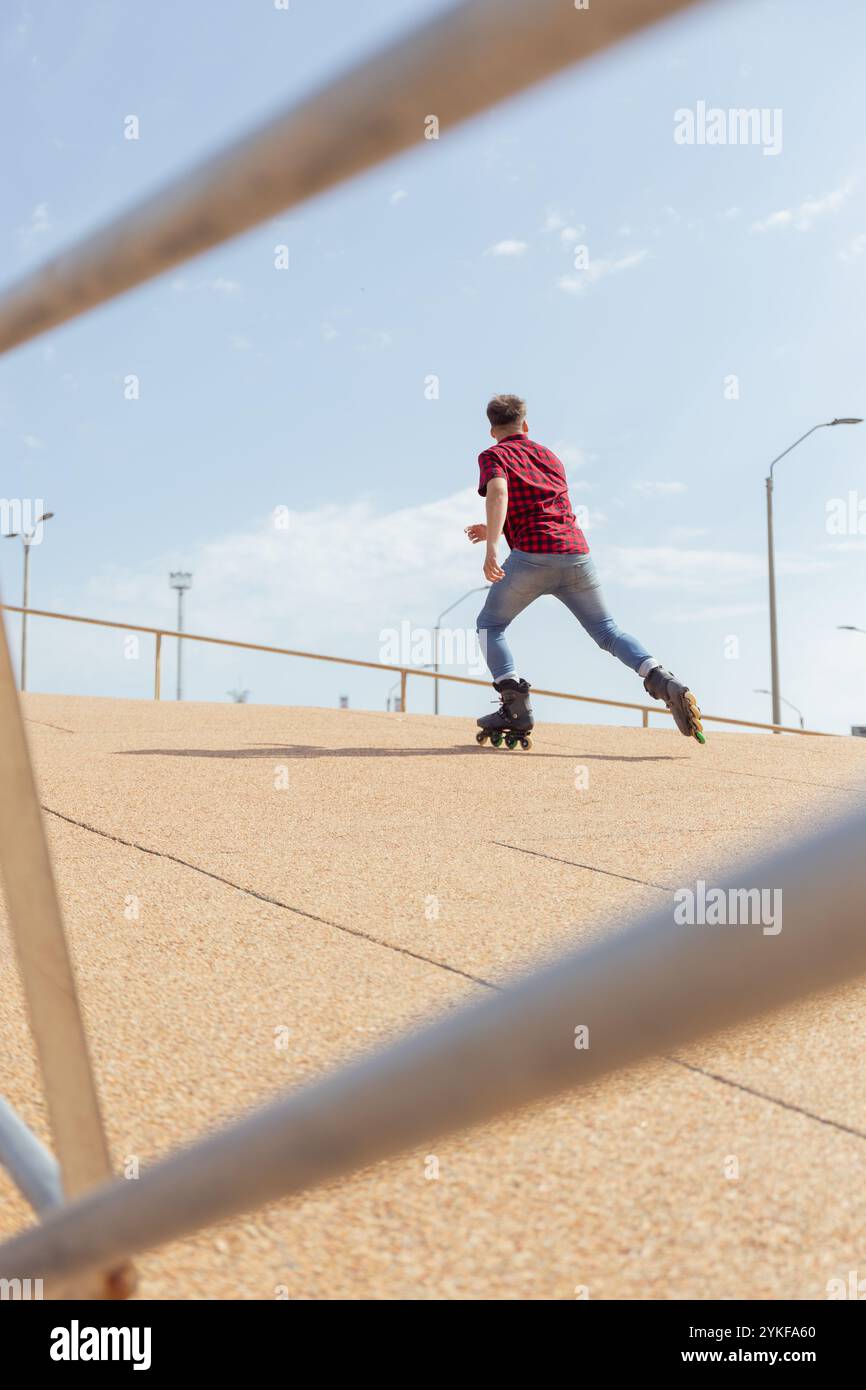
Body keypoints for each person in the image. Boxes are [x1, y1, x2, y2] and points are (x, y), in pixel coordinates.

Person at [466, 393, 704, 743]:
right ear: (526, 425)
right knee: (607, 631)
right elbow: (538, 506)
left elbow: (500, 493)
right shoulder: (549, 456)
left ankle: (514, 706)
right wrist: (496, 528)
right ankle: (659, 677)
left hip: (532, 557)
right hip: (576, 555)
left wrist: (491, 546)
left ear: (492, 430)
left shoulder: (493, 455)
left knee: (490, 625)